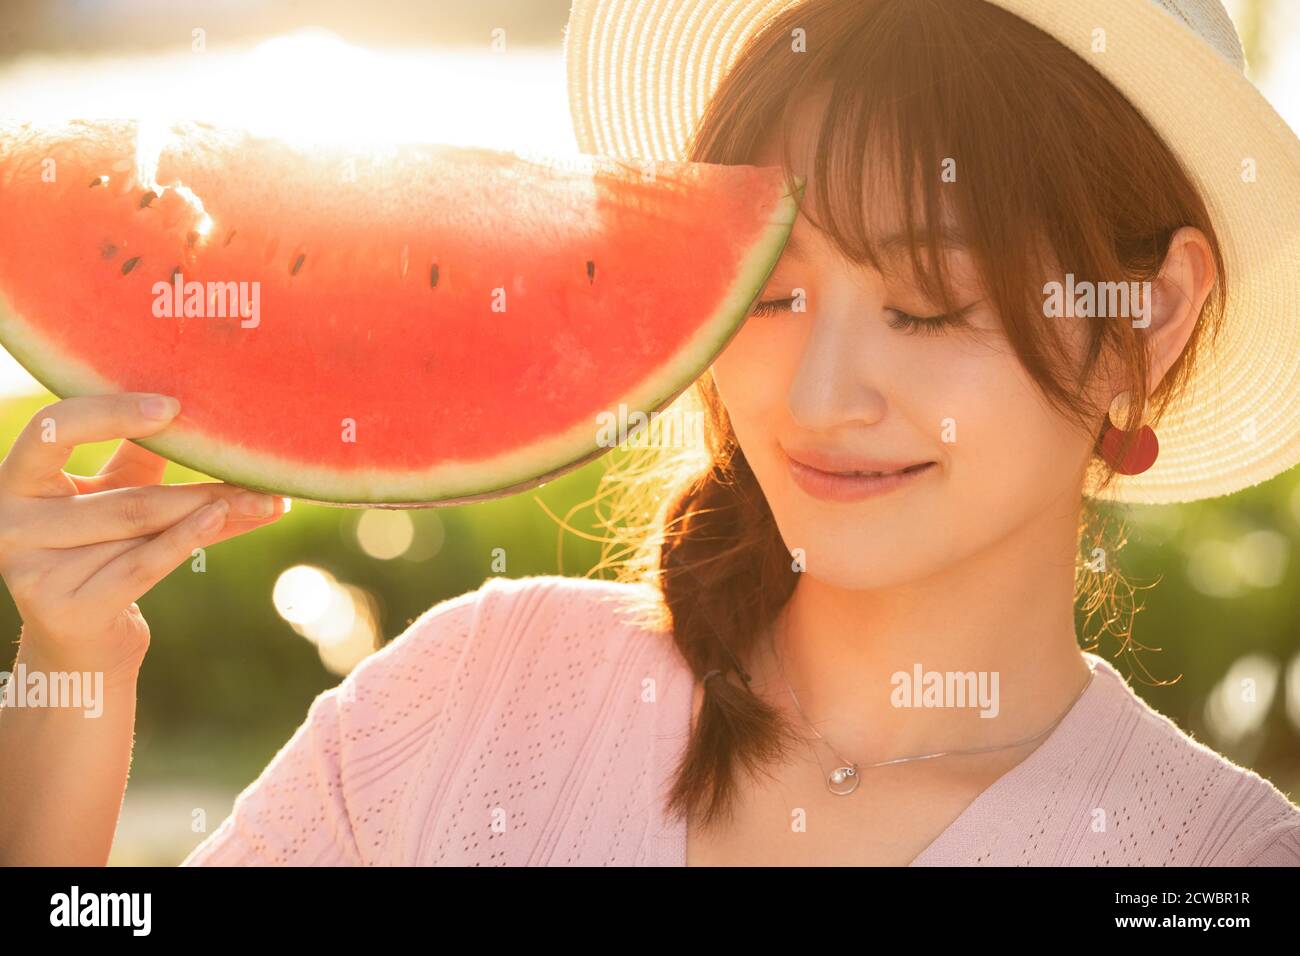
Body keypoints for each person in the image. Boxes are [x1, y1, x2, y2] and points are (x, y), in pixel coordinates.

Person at [2, 0, 1298, 866]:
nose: (818, 390)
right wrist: (74, 668)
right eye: (772, 291)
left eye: (930, 305)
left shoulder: (1216, 865)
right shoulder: (472, 699)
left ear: (1149, 314)